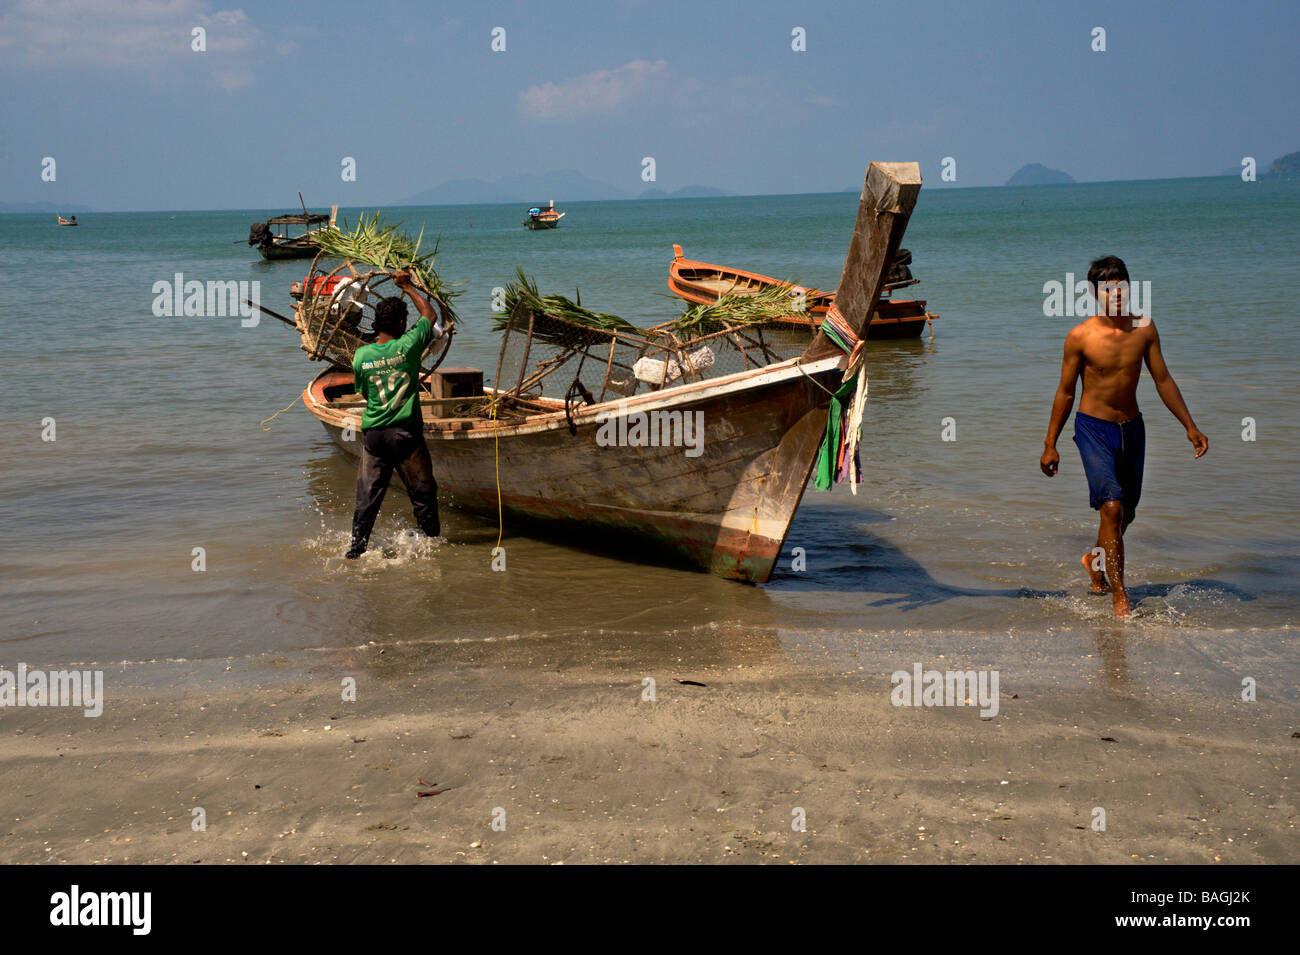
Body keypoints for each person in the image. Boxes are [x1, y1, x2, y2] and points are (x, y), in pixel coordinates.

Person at [1039, 255, 1208, 617]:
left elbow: (1162, 380)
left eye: (1121, 285)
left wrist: (1189, 426)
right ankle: (1121, 598)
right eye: (1107, 287)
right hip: (1092, 429)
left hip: (1131, 429)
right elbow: (1065, 392)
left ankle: (1095, 562)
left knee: (1125, 514)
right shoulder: (1080, 337)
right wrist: (1050, 443)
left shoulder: (1144, 329)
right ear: (1095, 293)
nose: (1115, 293)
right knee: (1111, 508)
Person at [345, 270, 448, 559]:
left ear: (377, 324)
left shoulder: (361, 356)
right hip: (406, 435)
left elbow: (365, 393)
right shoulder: (409, 345)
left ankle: (356, 550)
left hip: (375, 436)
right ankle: (431, 549)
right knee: (423, 494)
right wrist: (407, 286)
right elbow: (429, 315)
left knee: (368, 498)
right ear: (402, 324)